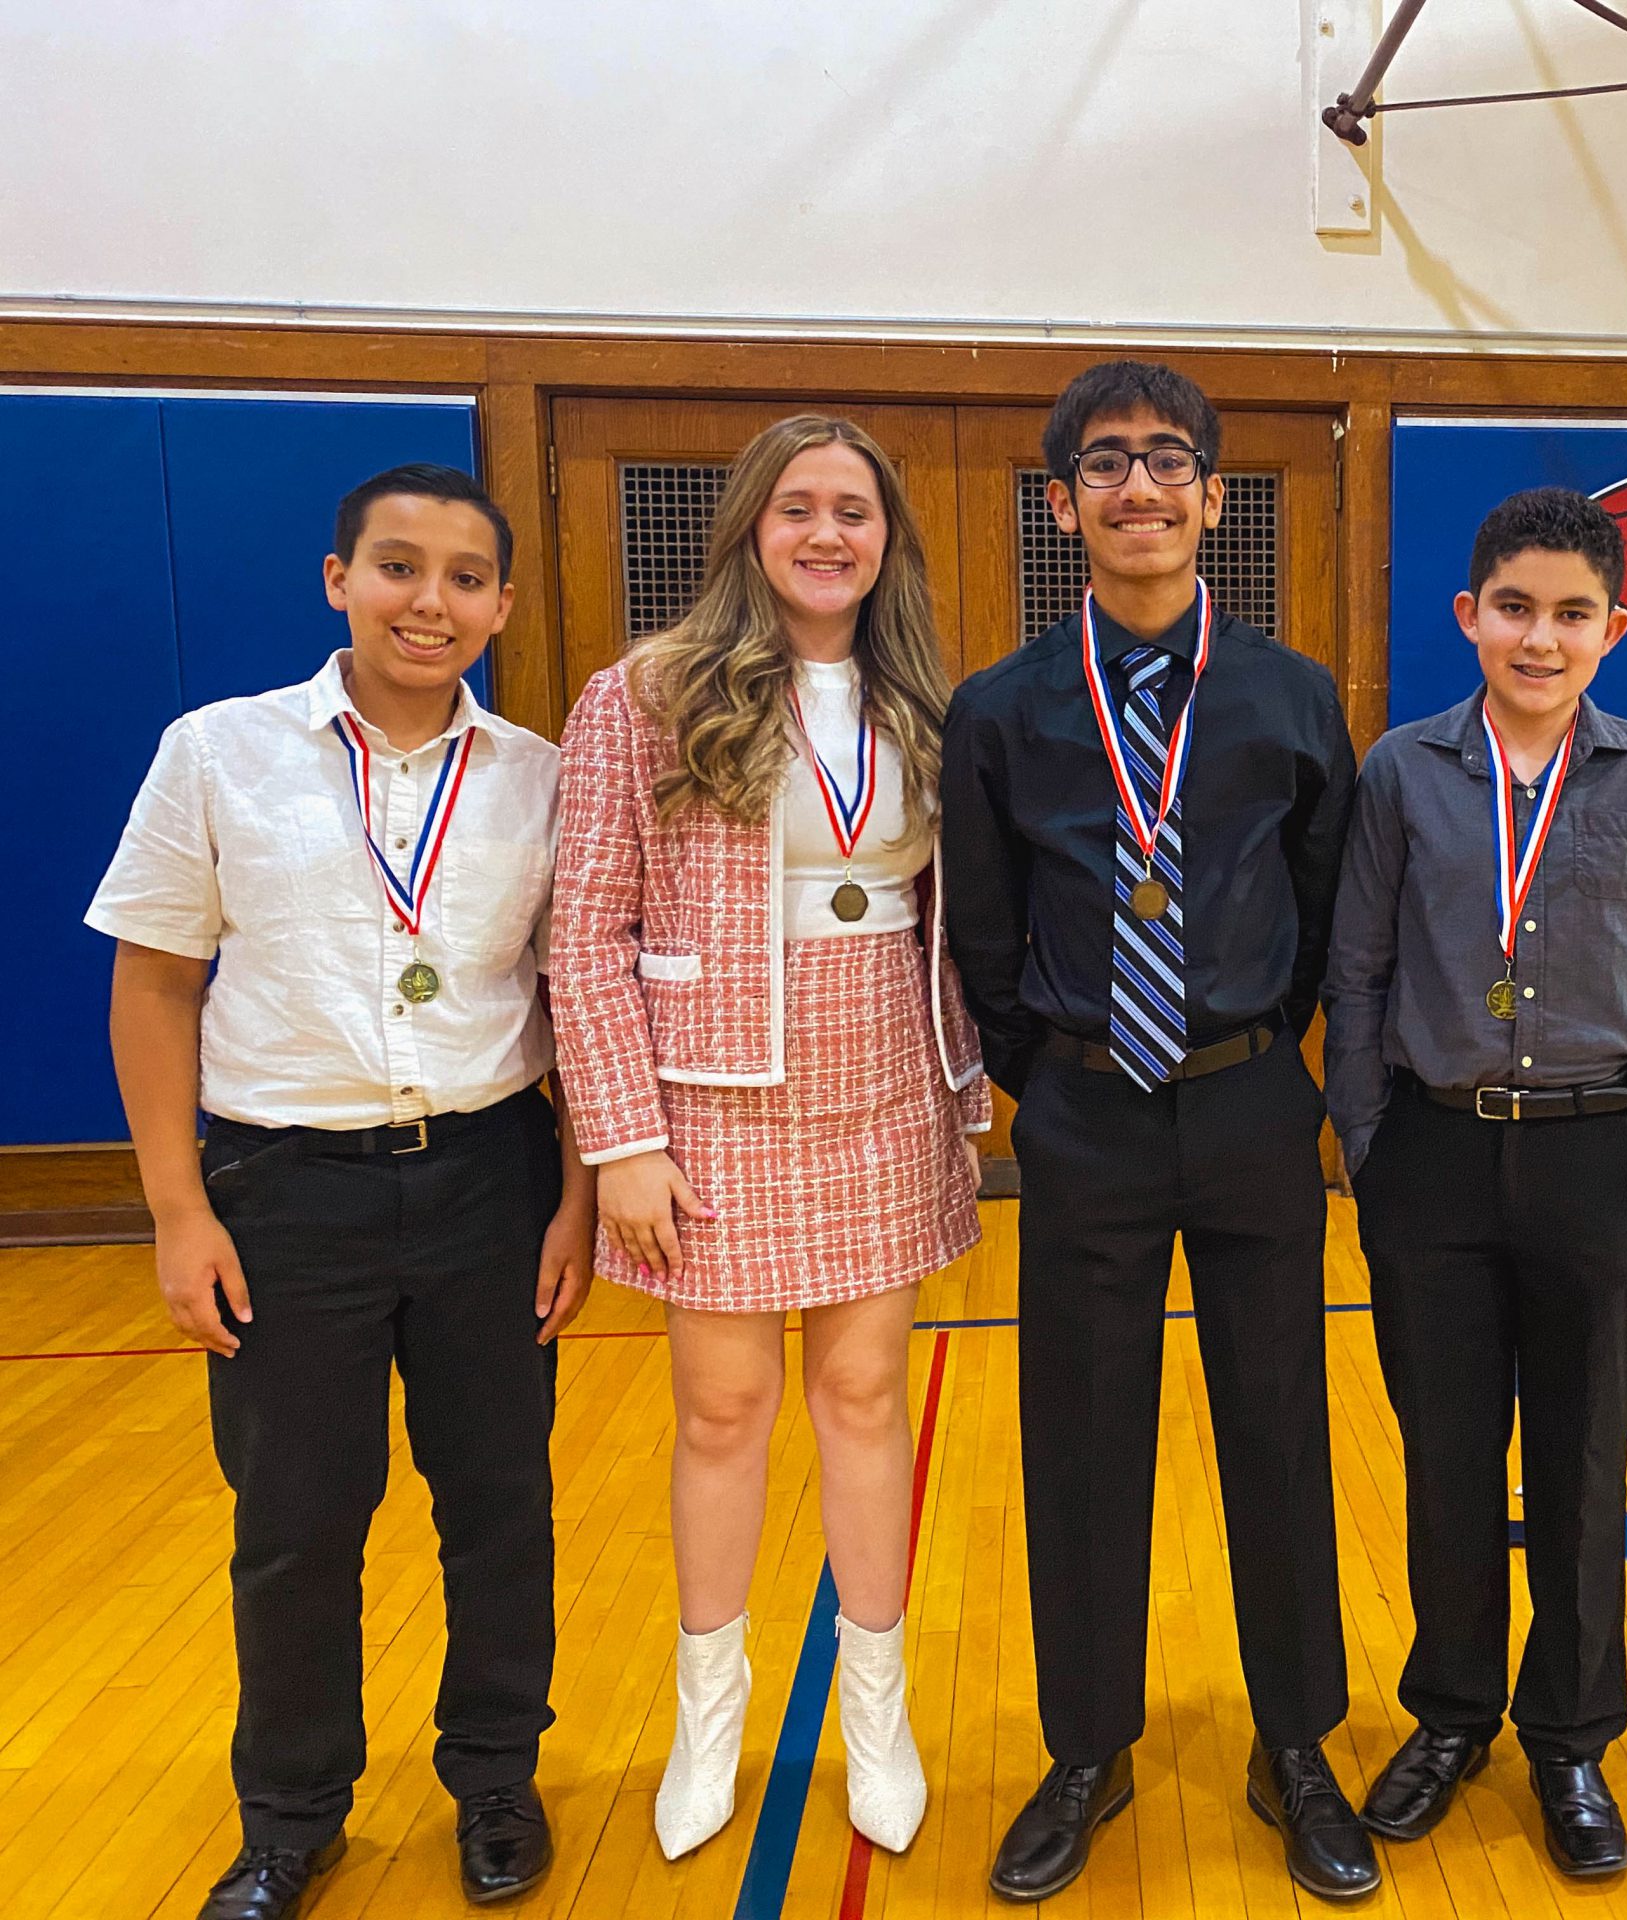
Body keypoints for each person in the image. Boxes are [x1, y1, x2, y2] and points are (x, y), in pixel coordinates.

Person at [89, 465, 588, 1919]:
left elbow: (577, 1002)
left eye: (462, 577)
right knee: (298, 1519)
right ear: (337, 581)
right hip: (282, 1188)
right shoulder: (218, 753)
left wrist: (569, 1196)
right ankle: (291, 1815)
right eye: (397, 567)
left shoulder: (545, 775)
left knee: (499, 1502)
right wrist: (180, 1212)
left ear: (499, 603)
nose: (429, 601)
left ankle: (496, 1777)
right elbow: (156, 983)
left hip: (492, 1177)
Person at [939, 360, 1373, 1903]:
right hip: (1081, 1112)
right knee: (1082, 1435)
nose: (1140, 487)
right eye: (1106, 464)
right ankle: (1086, 1747)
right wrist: (1046, 1074)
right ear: (1064, 504)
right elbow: (982, 934)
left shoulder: (1288, 693)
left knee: (1278, 1425)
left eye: (1168, 460)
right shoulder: (997, 711)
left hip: (1252, 1097)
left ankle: (1298, 1739)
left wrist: (1259, 1042)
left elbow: (1323, 909)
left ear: (1208, 491)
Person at [548, 415, 989, 1860]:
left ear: (886, 541)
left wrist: (970, 1091)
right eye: (797, 507)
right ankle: (709, 1718)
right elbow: (586, 932)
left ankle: (879, 1713)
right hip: (713, 1097)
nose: (826, 534)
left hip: (883, 1082)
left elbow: (956, 916)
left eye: (854, 512)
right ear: (749, 526)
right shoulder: (645, 695)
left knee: (867, 1401)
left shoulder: (928, 696)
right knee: (722, 1413)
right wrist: (620, 1136)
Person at [1323, 488, 1627, 1877]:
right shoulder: (1403, 771)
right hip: (1430, 1153)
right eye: (1515, 610)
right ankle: (1450, 1716)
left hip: (1596, 1153)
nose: (1538, 639)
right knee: (1445, 1460)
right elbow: (1357, 971)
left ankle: (1570, 1739)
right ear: (1468, 618)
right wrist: (1371, 1151)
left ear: (1612, 630)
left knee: (1579, 1467)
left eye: (1569, 616)